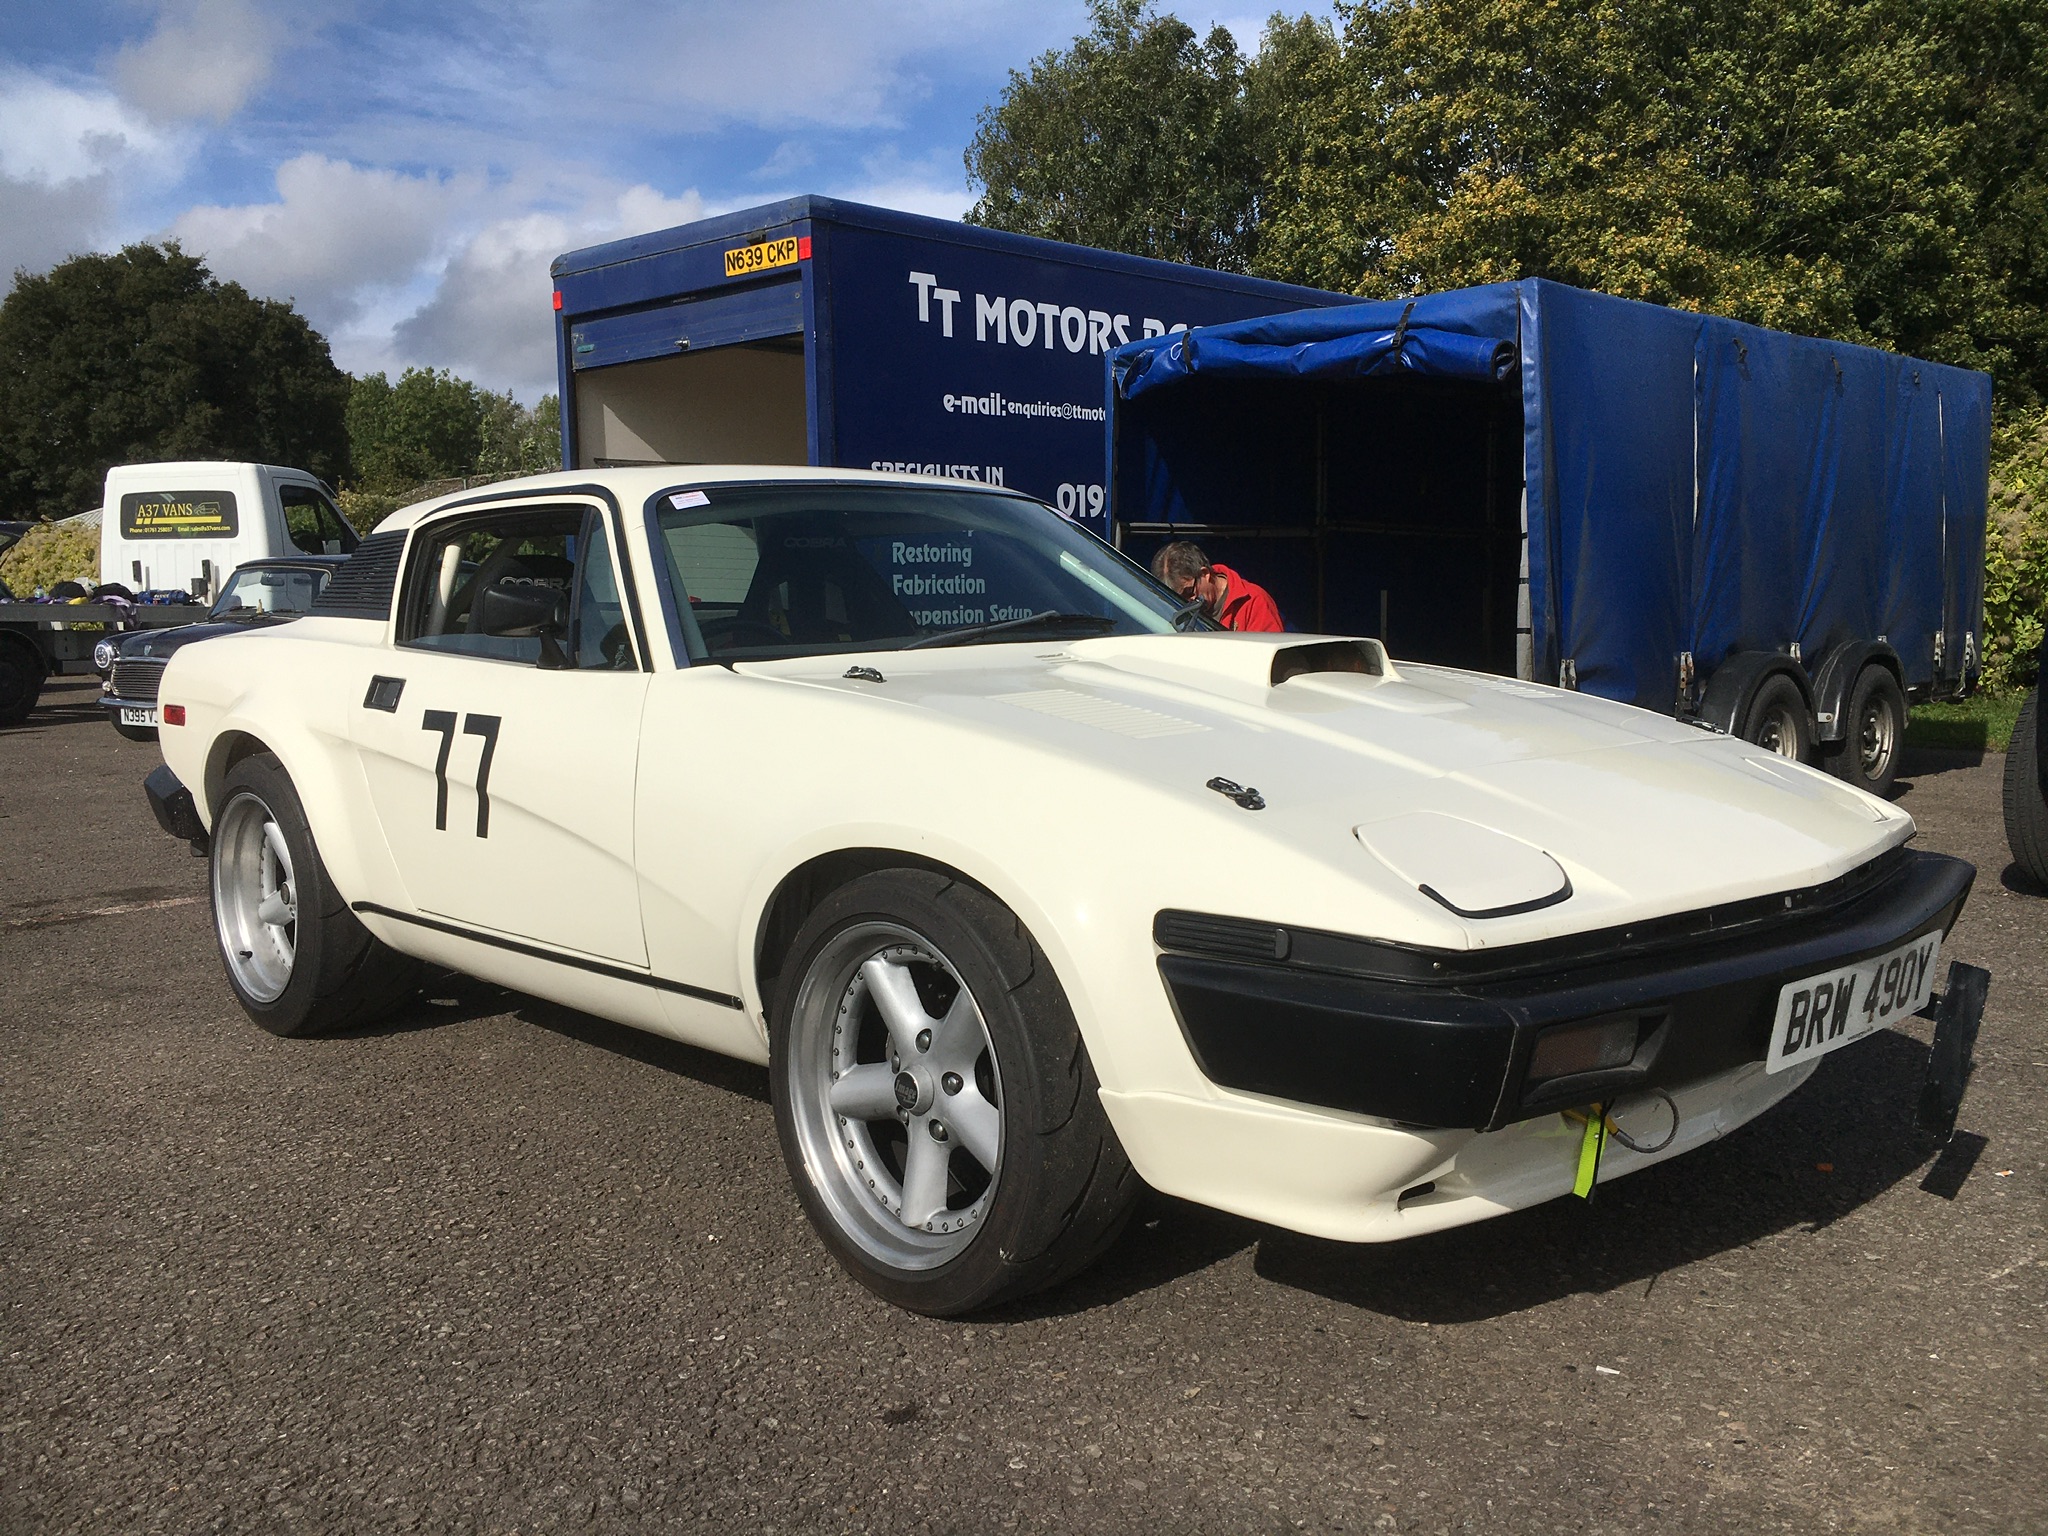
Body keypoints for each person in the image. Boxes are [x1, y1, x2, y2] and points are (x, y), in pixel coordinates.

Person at [1149, 541, 1285, 632]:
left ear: (1205, 574)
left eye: (1189, 591)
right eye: (1178, 598)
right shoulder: (1177, 611)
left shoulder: (1255, 602)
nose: (1187, 601)